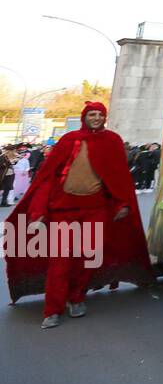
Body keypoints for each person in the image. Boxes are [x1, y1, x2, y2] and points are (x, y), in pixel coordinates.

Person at [4, 102, 153, 328]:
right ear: (85, 116)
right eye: (92, 114)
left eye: (100, 114)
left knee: (88, 258)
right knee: (60, 262)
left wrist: (121, 204)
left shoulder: (112, 141)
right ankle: (53, 309)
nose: (96, 118)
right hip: (63, 210)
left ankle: (76, 297)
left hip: (96, 210)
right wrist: (38, 211)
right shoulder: (68, 140)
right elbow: (47, 179)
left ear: (105, 117)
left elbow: (118, 178)